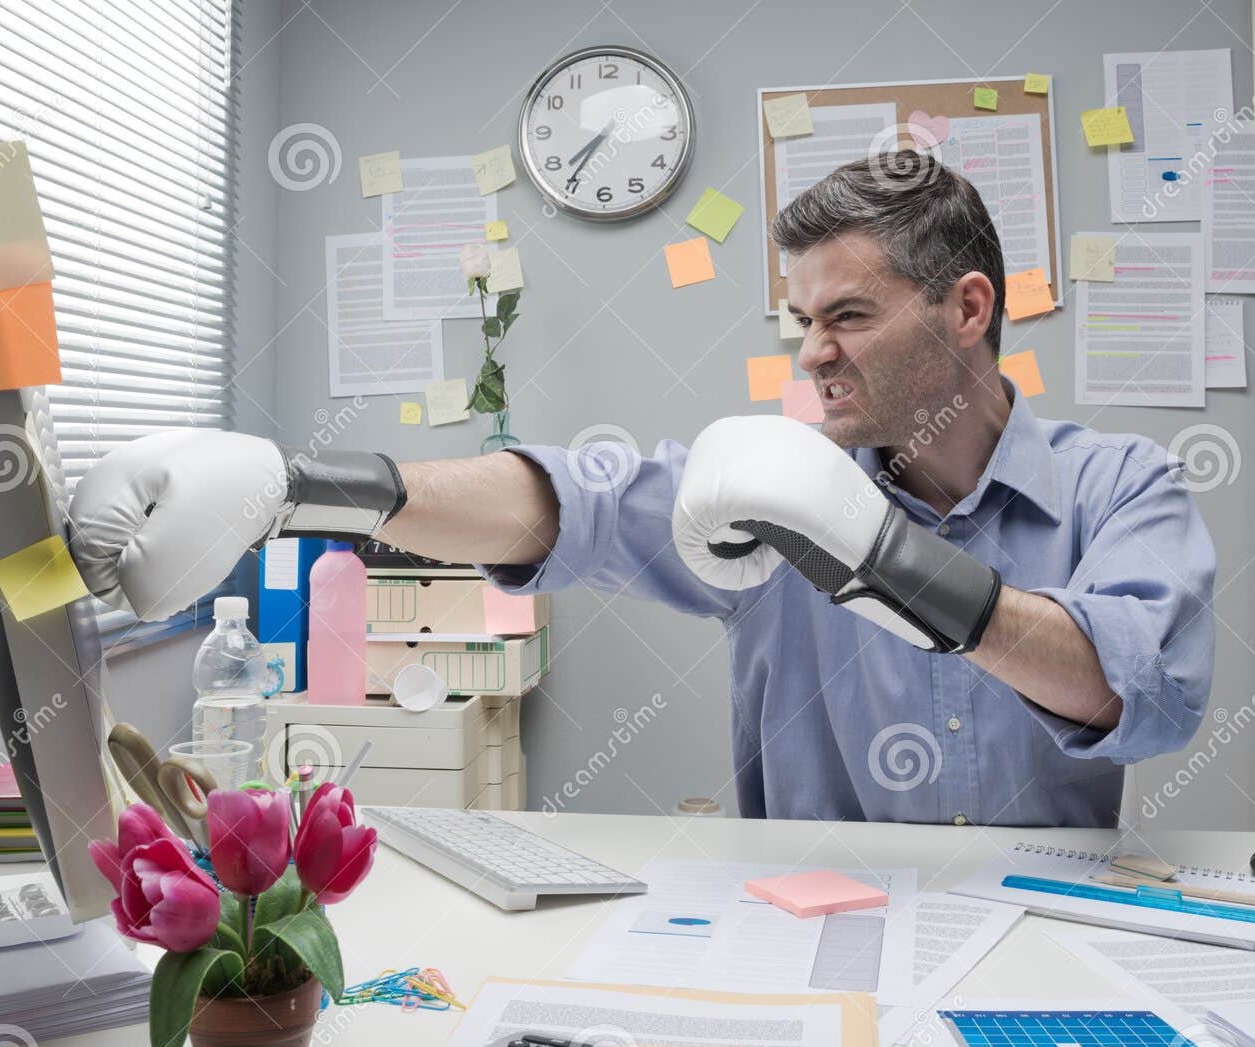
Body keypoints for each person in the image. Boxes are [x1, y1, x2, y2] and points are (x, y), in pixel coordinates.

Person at [71, 151, 1214, 829]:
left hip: (1042, 923)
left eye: (848, 316)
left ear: (967, 310)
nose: (811, 353)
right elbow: (572, 500)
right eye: (801, 322)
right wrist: (301, 483)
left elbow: (1149, 692)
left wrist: (890, 563)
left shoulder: (1119, 486)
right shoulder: (770, 490)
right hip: (814, 928)